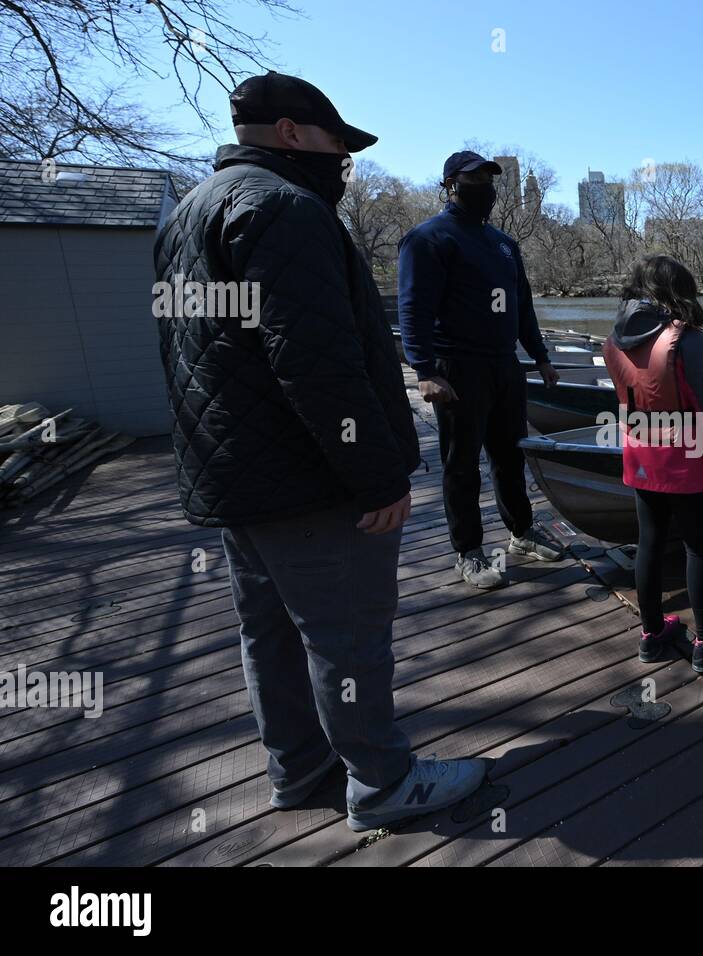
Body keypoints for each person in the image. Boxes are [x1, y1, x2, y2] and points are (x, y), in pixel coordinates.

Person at [154, 72, 485, 833]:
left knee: (267, 631)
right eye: (341, 145)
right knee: (349, 635)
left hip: (237, 474)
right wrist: (374, 474)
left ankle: (299, 771)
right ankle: (384, 783)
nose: (346, 163)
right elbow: (314, 359)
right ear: (293, 133)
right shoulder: (283, 207)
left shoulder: (188, 212)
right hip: (310, 480)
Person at [398, 150, 565, 589]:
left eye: (490, 181)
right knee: (461, 462)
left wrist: (541, 356)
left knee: (511, 455)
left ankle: (521, 532)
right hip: (457, 367)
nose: (485, 189)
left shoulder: (504, 244)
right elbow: (412, 309)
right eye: (474, 181)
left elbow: (522, 305)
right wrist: (424, 369)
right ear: (450, 185)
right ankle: (468, 551)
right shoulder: (428, 239)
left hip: (504, 365)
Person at [603, 255, 703, 674]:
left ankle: (651, 635)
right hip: (684, 456)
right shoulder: (686, 340)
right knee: (699, 547)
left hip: (640, 451)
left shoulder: (614, 340)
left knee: (648, 541)